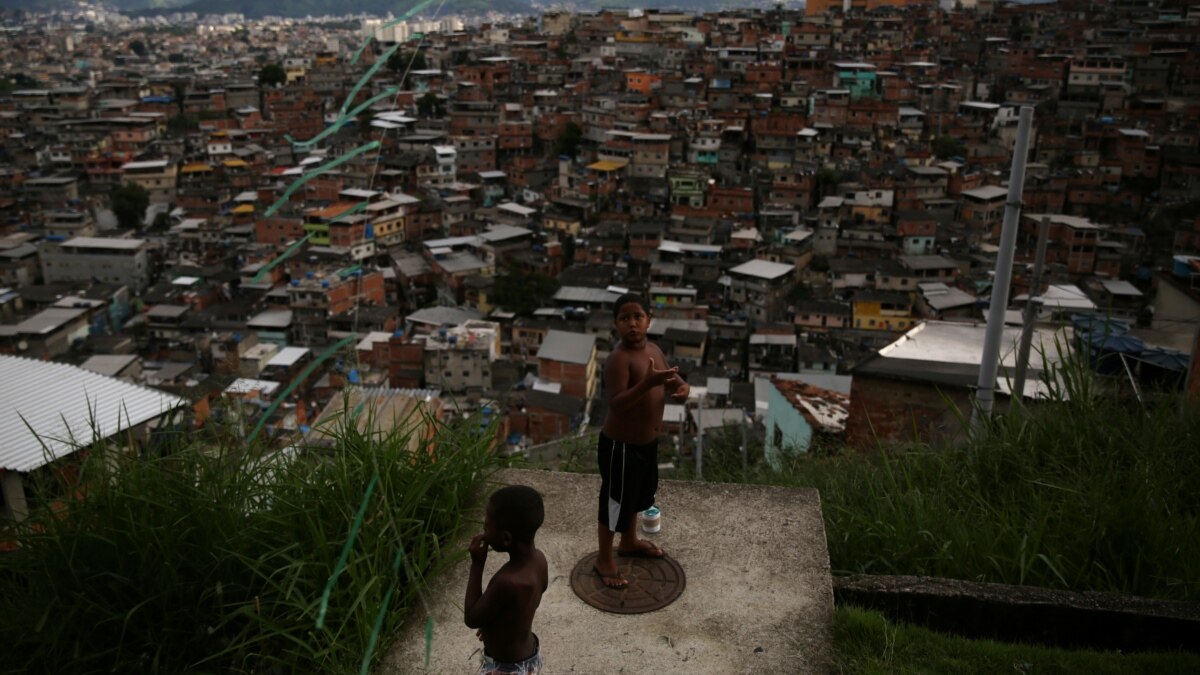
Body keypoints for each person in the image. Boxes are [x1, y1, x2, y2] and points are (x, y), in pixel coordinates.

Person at [594, 293, 690, 590]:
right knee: (615, 502)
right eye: (625, 318)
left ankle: (630, 541)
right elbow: (617, 403)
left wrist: (682, 386)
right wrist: (646, 383)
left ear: (649, 320)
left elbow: (670, 379)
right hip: (621, 447)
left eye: (638, 317)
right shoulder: (618, 359)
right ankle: (603, 558)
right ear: (616, 325)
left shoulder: (654, 350)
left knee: (638, 496)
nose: (632, 324)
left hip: (647, 444)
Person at [464, 485, 549, 675]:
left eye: (486, 527)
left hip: (505, 668)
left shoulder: (507, 581)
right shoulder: (540, 561)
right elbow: (525, 606)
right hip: (530, 657)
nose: (484, 532)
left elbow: (471, 617)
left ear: (506, 538)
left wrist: (477, 565)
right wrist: (495, 626)